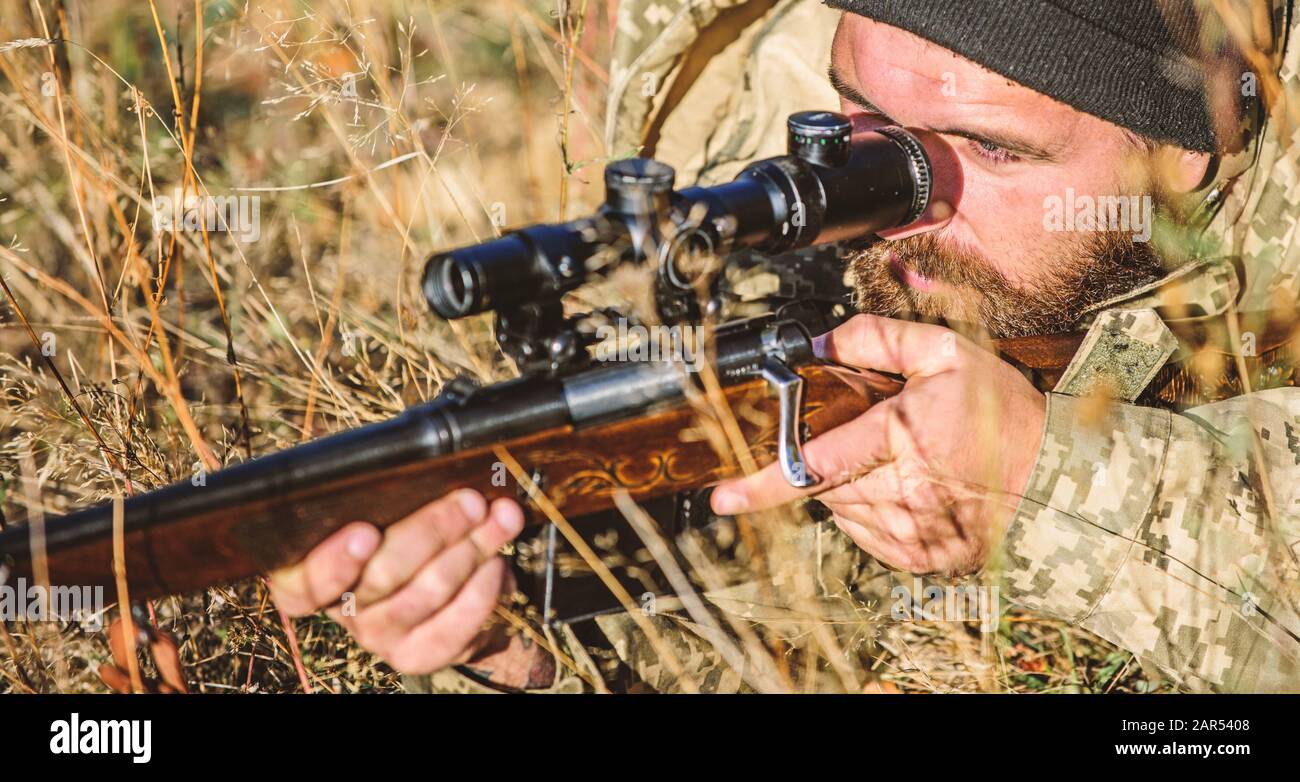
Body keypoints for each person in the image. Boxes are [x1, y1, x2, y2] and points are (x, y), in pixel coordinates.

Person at [269, 0, 1300, 692]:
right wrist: (527, 649)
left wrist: (1052, 489)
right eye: (861, 119)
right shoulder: (768, 212)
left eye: (991, 148)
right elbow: (792, 640)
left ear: (1185, 147)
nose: (901, 208)